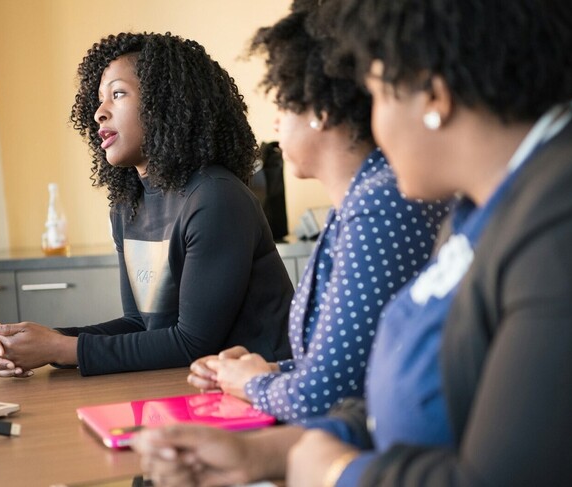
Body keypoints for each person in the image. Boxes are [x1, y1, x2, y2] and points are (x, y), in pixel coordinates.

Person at [132, 0, 572, 485]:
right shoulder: (481, 203)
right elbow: (413, 403)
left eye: (378, 95)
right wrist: (262, 455)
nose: (373, 126)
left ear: (433, 96)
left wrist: (336, 471)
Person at [186, 2, 447, 423]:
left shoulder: (378, 203)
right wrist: (263, 371)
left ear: (321, 110)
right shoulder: (360, 201)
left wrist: (252, 384)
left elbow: (325, 396)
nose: (274, 125)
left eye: (283, 105)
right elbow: (349, 369)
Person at [0, 32, 294, 377]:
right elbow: (140, 325)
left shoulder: (215, 197)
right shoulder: (126, 205)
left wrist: (63, 347)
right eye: (99, 100)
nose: (99, 113)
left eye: (118, 94)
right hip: (187, 385)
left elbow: (193, 342)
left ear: (166, 103)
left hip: (261, 396)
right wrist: (43, 343)